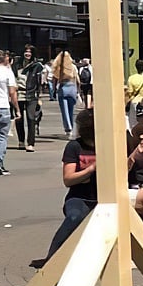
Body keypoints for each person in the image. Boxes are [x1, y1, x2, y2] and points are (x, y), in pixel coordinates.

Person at [45, 109, 98, 259]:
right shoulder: (74, 146)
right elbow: (68, 179)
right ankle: (52, 258)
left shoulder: (108, 145)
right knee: (74, 217)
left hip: (104, 197)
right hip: (79, 198)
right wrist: (91, 169)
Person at [14, 44, 44, 152]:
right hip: (19, 94)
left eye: (30, 52)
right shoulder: (16, 64)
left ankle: (31, 143)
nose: (28, 54)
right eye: (26, 51)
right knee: (19, 118)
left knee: (31, 118)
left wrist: (39, 97)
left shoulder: (37, 66)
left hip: (32, 95)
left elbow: (40, 82)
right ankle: (21, 141)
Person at [50, 50, 80, 136]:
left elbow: (54, 80)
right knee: (71, 110)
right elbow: (78, 80)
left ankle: (68, 128)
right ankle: (71, 126)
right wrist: (78, 91)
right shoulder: (73, 67)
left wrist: (54, 91)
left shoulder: (59, 68)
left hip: (63, 88)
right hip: (72, 88)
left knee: (65, 110)